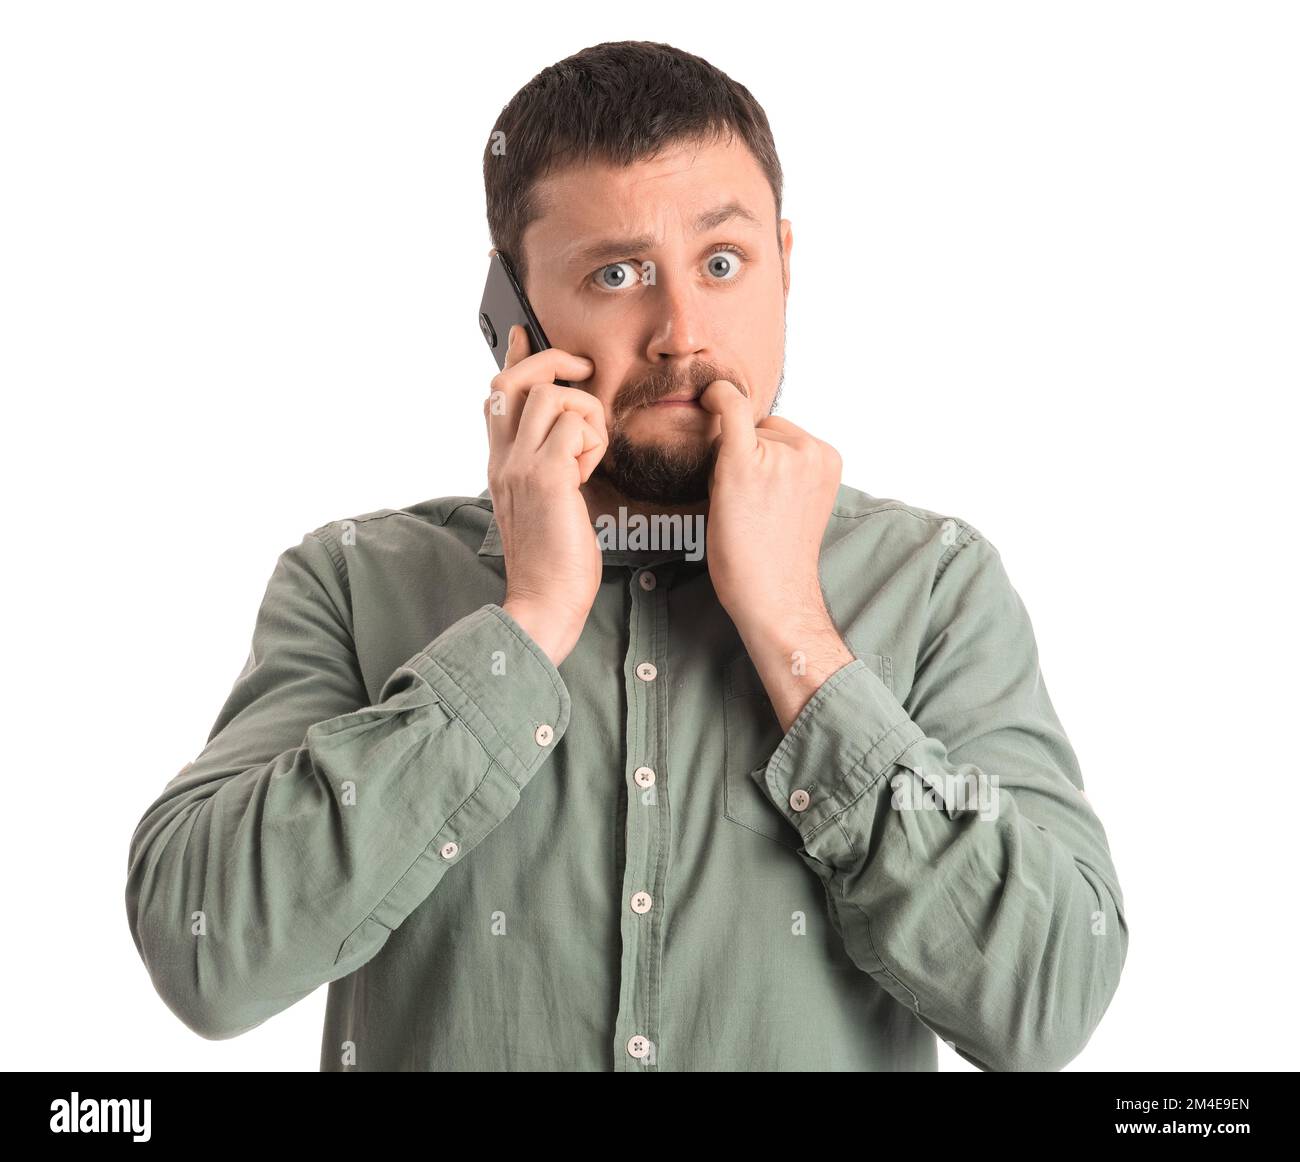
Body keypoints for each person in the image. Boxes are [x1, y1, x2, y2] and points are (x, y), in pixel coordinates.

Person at [125, 40, 1128, 1071]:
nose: (682, 333)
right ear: (514, 320)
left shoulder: (934, 586)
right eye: (617, 274)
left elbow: (1046, 996)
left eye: (723, 264)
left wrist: (795, 634)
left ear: (787, 264)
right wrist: (530, 623)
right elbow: (207, 956)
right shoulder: (351, 582)